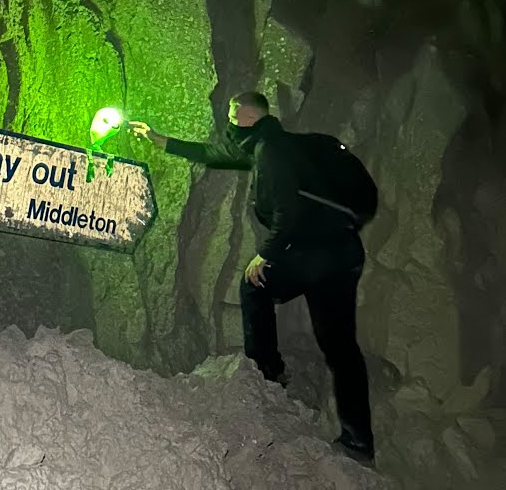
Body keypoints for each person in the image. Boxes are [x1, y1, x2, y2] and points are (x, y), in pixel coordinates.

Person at [129, 91, 375, 462]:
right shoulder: (274, 144)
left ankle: (267, 372)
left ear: (245, 118)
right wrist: (159, 138)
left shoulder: (271, 153)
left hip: (317, 256)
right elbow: (217, 155)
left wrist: (265, 254)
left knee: (254, 283)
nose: (227, 123)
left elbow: (288, 212)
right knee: (341, 346)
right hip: (344, 251)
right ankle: (359, 439)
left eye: (231, 116)